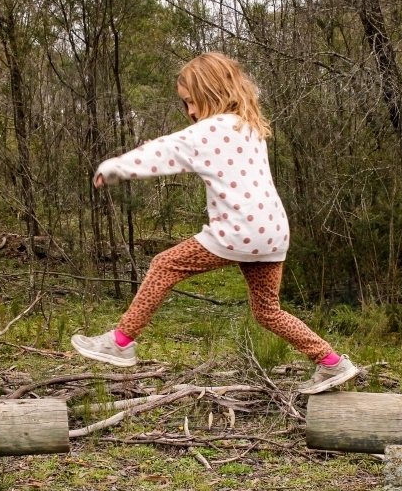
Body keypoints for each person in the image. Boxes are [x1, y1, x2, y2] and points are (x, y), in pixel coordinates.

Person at [71, 52, 359, 394]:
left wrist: (114, 167)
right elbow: (175, 149)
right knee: (268, 311)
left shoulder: (208, 130)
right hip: (274, 232)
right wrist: (160, 149)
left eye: (191, 102)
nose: (190, 111)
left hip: (238, 231)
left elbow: (167, 151)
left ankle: (120, 341)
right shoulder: (248, 126)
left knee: (164, 266)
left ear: (210, 91)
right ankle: (331, 363)